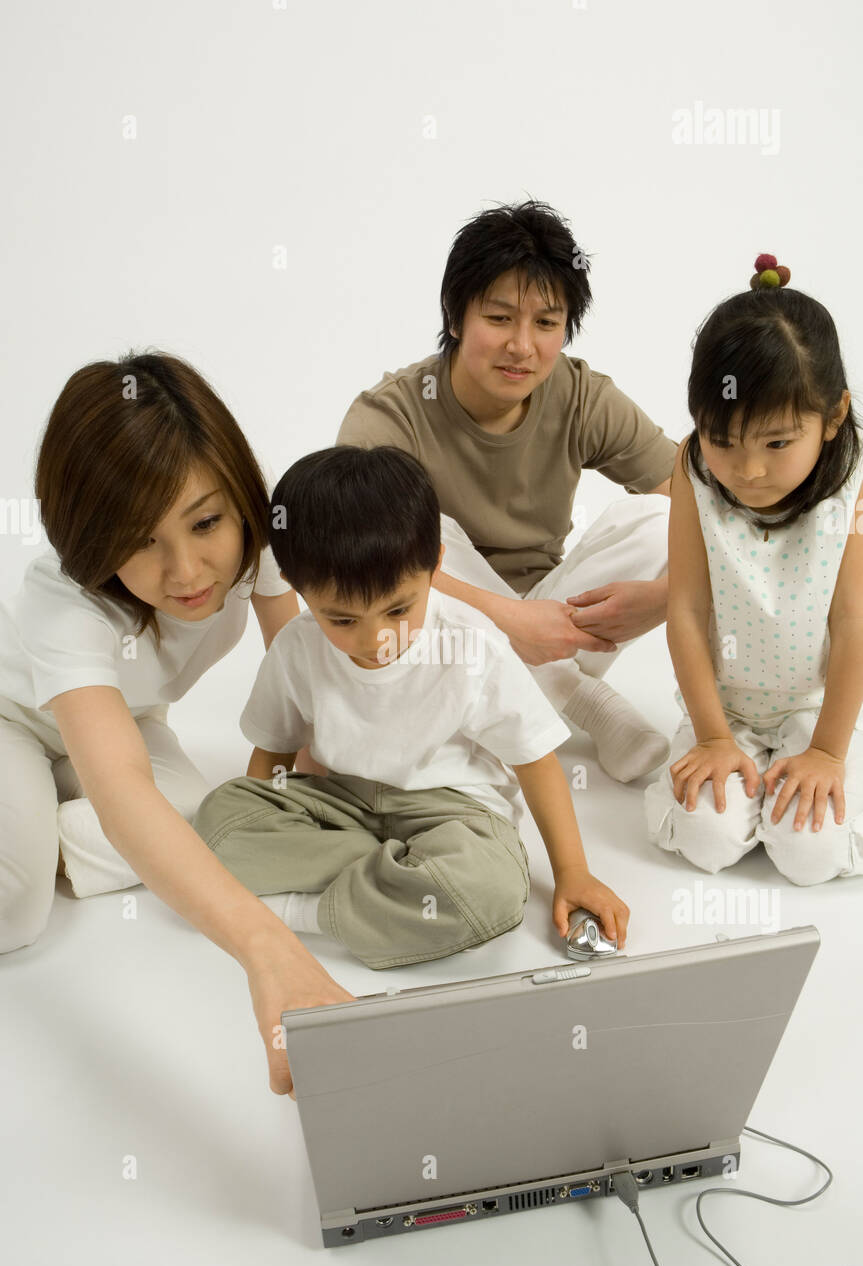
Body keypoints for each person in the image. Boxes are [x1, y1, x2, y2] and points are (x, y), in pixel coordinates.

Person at [0, 351, 352, 1095]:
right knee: (17, 909)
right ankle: (40, 838)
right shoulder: (62, 604)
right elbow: (123, 782)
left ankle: (59, 826)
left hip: (120, 721)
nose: (188, 572)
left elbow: (294, 663)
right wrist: (267, 947)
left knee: (204, 822)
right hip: (13, 717)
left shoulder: (254, 548)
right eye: (141, 540)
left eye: (205, 523)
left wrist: (315, 761)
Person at [192, 445, 630, 969]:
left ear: (434, 566)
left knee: (488, 889)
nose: (376, 638)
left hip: (454, 816)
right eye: (343, 620)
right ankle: (391, 884)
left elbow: (535, 764)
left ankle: (307, 912)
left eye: (398, 609)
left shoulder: (471, 646)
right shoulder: (297, 646)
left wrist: (572, 872)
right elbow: (272, 755)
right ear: (296, 586)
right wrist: (267, 819)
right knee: (217, 821)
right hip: (345, 805)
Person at [336, 199, 677, 783]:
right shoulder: (390, 413)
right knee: (415, 533)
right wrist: (511, 622)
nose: (523, 345)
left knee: (664, 519)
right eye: (499, 318)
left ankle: (514, 710)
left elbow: (700, 503)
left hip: (560, 618)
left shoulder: (580, 395)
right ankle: (581, 702)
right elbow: (353, 560)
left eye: (545, 323)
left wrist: (664, 597)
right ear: (455, 316)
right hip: (437, 640)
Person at [645, 255, 863, 884]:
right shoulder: (693, 469)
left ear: (834, 416)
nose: (748, 470)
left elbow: (852, 622)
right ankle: (743, 789)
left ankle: (792, 790)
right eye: (723, 439)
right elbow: (686, 609)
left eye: (776, 443)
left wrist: (825, 751)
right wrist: (713, 737)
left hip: (819, 706)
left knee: (810, 857)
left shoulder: (853, 483)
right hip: (727, 706)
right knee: (708, 841)